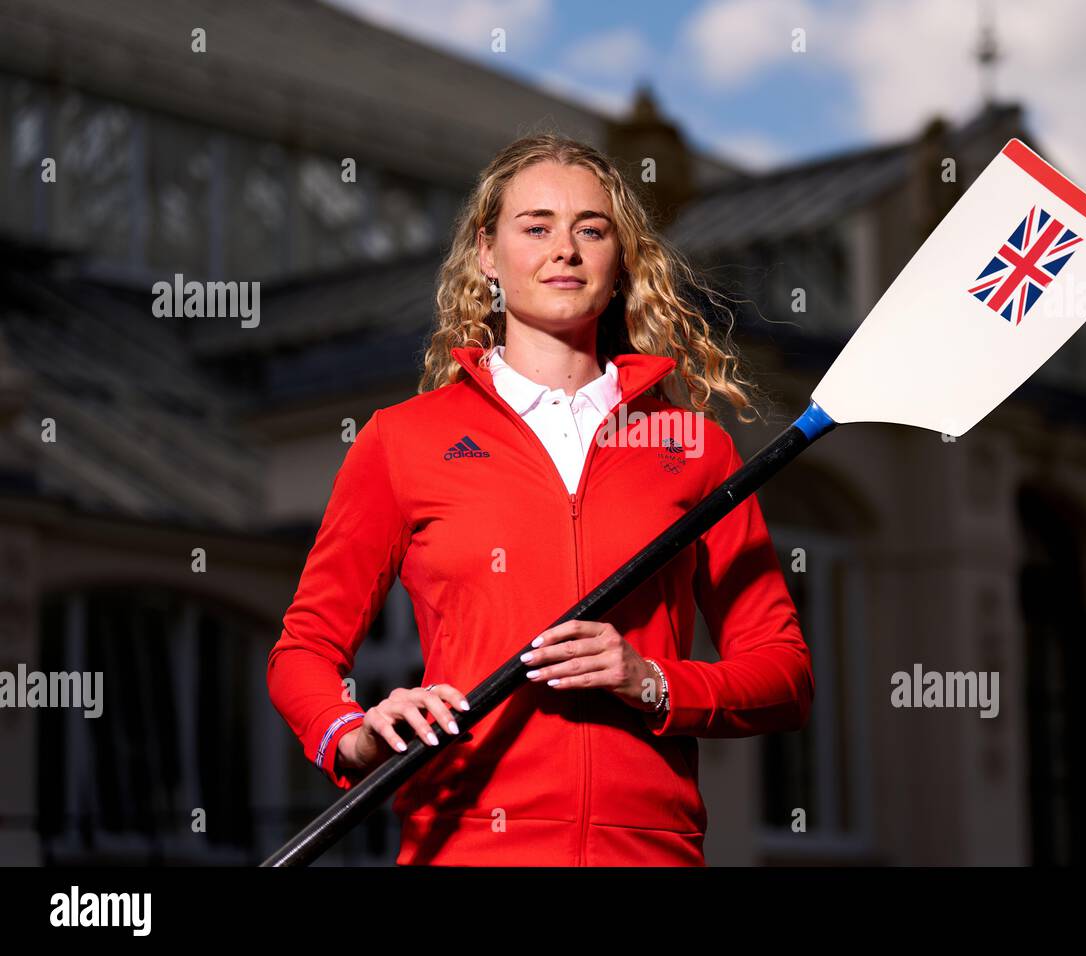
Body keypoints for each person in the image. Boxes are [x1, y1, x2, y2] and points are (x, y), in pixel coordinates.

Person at [266, 132, 815, 866]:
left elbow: (784, 674)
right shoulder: (403, 441)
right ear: (487, 256)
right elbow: (303, 650)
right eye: (537, 227)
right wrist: (355, 732)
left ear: (619, 262)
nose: (566, 249)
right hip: (465, 848)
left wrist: (649, 679)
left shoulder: (693, 446)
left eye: (591, 229)